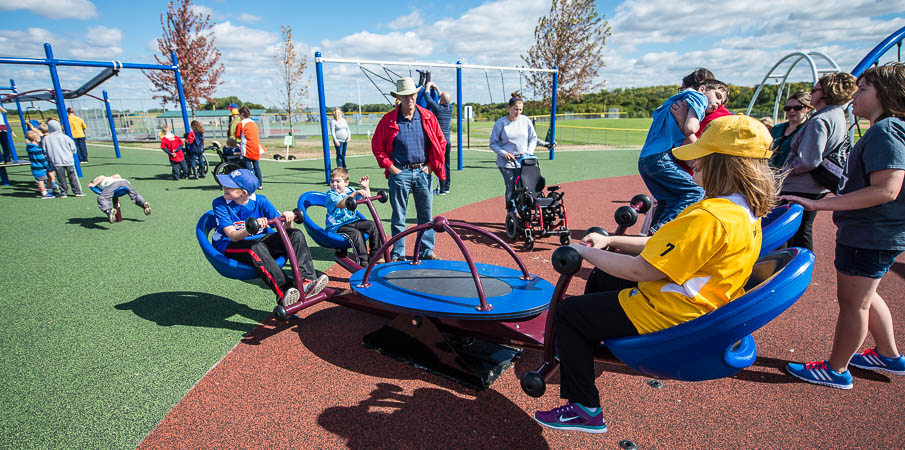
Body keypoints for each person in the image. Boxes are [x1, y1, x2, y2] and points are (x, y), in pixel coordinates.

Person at [533, 115, 779, 434]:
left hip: (673, 310)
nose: (694, 166)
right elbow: (662, 247)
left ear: (722, 165)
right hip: (700, 301)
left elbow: (642, 269)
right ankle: (586, 345)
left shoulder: (710, 217)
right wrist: (610, 240)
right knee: (604, 280)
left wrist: (585, 252)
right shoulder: (742, 211)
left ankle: (584, 409)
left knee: (567, 314)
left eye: (702, 159)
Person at [782, 63, 905, 390]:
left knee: (854, 303)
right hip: (877, 232)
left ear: (885, 95)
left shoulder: (886, 130)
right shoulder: (888, 128)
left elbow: (886, 189)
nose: (855, 95)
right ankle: (888, 354)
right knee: (866, 295)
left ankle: (836, 370)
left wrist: (818, 203)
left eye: (863, 89)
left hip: (871, 232)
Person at [212, 168, 329, 306]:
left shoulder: (261, 201)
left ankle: (307, 281)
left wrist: (288, 219)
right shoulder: (220, 203)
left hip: (257, 241)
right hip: (229, 244)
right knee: (255, 248)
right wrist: (251, 229)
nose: (223, 187)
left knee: (296, 234)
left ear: (244, 193)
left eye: (229, 186)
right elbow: (233, 236)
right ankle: (284, 291)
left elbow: (286, 232)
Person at [638, 72, 727, 233]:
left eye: (722, 101)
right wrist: (690, 122)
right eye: (718, 96)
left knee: (668, 200)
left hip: (645, 160)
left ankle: (649, 239)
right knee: (696, 191)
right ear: (701, 88)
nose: (718, 104)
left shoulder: (673, 101)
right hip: (661, 158)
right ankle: (660, 233)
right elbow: (690, 128)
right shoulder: (698, 97)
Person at [371, 77, 447, 262]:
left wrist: (430, 167)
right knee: (399, 216)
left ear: (416, 94)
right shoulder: (388, 119)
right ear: (398, 98)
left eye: (412, 95)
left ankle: (426, 250)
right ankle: (398, 252)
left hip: (422, 171)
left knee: (426, 215)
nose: (409, 99)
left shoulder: (427, 117)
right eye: (405, 96)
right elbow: (377, 146)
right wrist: (390, 166)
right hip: (400, 173)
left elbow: (440, 142)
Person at [779, 72, 857, 251]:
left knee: (795, 232)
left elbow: (808, 160)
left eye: (815, 90)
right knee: (802, 230)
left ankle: (793, 267)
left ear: (827, 92)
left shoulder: (820, 120)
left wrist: (782, 171)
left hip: (801, 186)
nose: (811, 94)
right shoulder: (836, 115)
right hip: (815, 185)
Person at [490, 94, 538, 212]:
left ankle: (524, 213)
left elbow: (533, 138)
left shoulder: (525, 120)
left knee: (524, 187)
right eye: (515, 109)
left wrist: (528, 152)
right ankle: (512, 215)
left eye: (520, 110)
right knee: (511, 188)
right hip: (507, 162)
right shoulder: (501, 123)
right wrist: (503, 153)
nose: (518, 112)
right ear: (509, 108)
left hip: (524, 160)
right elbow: (493, 143)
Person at [325, 168, 381, 266]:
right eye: (332, 181)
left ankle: (376, 256)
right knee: (355, 234)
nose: (334, 184)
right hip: (338, 226)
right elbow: (341, 204)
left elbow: (367, 198)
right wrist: (354, 194)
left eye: (338, 181)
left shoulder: (350, 190)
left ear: (346, 183)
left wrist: (365, 188)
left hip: (352, 221)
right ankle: (363, 263)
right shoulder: (331, 194)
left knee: (373, 225)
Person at [769, 90, 814, 170]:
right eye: (787, 108)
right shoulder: (776, 129)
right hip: (770, 174)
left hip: (792, 176)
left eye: (797, 108)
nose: (791, 111)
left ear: (808, 109)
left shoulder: (808, 130)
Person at [424, 81, 454, 195]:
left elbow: (427, 98)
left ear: (440, 100)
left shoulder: (437, 108)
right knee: (447, 164)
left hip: (440, 142)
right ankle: (446, 187)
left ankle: (441, 189)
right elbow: (444, 98)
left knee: (439, 164)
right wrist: (436, 87)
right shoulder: (450, 108)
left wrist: (428, 86)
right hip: (448, 141)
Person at [87, 173, 152, 223]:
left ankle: (109, 211)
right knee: (134, 195)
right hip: (125, 182)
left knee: (102, 197)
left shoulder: (101, 179)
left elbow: (101, 177)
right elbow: (117, 175)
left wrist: (93, 184)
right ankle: (144, 203)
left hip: (113, 185)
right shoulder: (112, 177)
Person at [43, 119, 83, 197]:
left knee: (60, 177)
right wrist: (72, 153)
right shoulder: (65, 137)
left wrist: (49, 157)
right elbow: (73, 148)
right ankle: (77, 191)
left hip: (56, 161)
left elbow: (45, 150)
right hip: (68, 160)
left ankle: (63, 192)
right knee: (73, 176)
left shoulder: (46, 138)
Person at [235, 106, 265, 189]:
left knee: (248, 167)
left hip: (247, 148)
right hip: (256, 146)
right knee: (256, 166)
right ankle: (260, 184)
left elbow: (237, 135)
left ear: (241, 114)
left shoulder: (241, 124)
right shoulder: (253, 123)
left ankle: (252, 183)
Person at [24, 130, 56, 199]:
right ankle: (44, 193)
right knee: (41, 180)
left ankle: (50, 190)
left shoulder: (30, 147)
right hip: (39, 167)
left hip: (36, 166)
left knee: (47, 178)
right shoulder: (37, 149)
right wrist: (46, 165)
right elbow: (41, 158)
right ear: (36, 139)